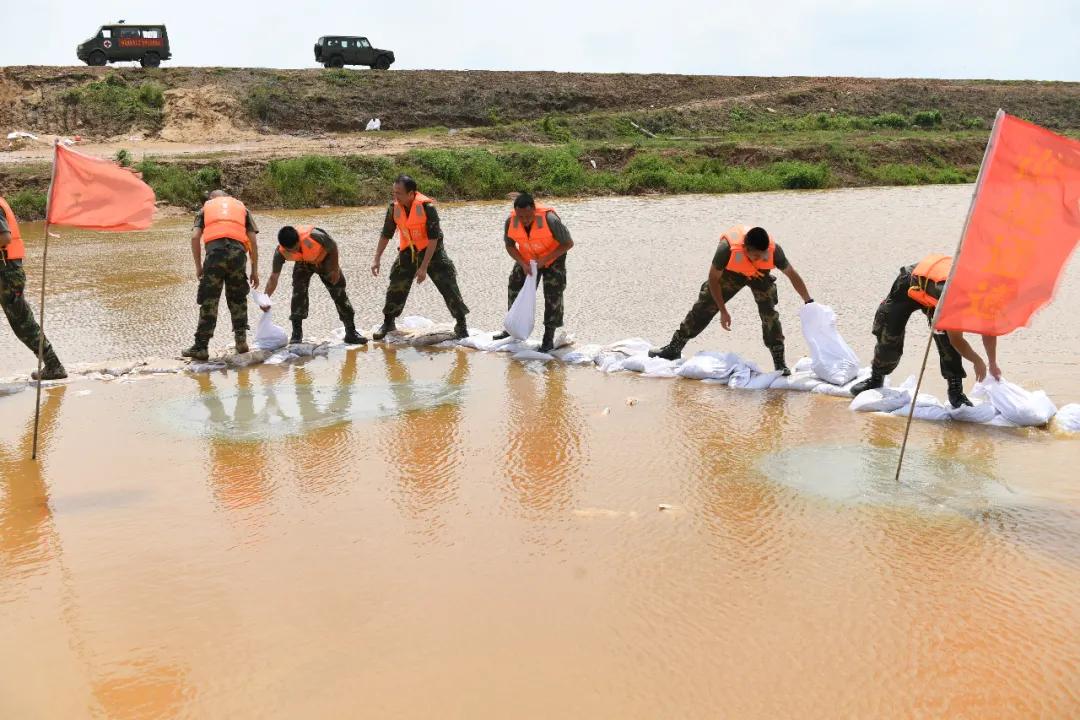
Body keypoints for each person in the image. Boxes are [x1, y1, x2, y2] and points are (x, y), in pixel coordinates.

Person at [650, 225, 813, 374]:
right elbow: (713, 280)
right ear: (745, 248)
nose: (760, 258)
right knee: (704, 306)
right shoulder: (726, 249)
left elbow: (792, 275)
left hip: (759, 275)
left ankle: (779, 362)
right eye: (756, 255)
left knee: (769, 314)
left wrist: (808, 301)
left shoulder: (774, 251)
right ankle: (674, 348)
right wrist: (723, 311)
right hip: (732, 274)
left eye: (762, 255)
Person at [850, 254, 1002, 408]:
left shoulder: (987, 295)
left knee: (943, 336)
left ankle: (955, 391)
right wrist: (977, 361)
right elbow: (956, 340)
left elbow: (989, 330)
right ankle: (876, 377)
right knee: (889, 333)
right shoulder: (954, 296)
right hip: (909, 284)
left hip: (935, 296)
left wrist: (992, 363)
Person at [370, 175, 470, 340]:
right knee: (396, 283)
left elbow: (433, 238)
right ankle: (388, 322)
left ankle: (461, 323)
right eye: (394, 192)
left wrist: (423, 267)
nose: (396, 196)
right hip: (408, 251)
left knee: (448, 284)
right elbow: (386, 233)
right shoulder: (394, 207)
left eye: (399, 193)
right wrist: (376, 258)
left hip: (432, 252)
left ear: (411, 193)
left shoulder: (427, 207)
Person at [183, 190, 259, 361]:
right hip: (238, 255)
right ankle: (241, 341)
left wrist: (198, 266)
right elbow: (253, 241)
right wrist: (254, 270)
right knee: (238, 298)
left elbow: (195, 237)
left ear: (211, 199)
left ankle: (201, 347)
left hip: (215, 255)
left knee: (209, 300)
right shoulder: (242, 208)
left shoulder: (205, 209)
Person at [492, 193, 574, 353]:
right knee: (514, 287)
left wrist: (545, 260)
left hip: (553, 259)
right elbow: (510, 246)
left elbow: (568, 243)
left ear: (534, 210)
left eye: (528, 216)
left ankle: (548, 337)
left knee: (553, 295)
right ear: (516, 212)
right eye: (521, 216)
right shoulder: (511, 221)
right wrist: (522, 263)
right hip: (528, 259)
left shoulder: (550, 219)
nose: (525, 220)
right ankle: (512, 329)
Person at [263, 225, 366, 345]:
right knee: (298, 290)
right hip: (303, 262)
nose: (294, 252)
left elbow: (332, 246)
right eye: (290, 251)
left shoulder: (316, 236)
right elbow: (273, 277)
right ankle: (296, 333)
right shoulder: (280, 252)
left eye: (296, 248)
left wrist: (334, 269)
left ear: (298, 241)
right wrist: (265, 298)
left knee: (339, 292)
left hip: (324, 259)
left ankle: (351, 331)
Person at [0, 195, 67, 380]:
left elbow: (5, 237)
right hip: (7, 270)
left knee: (22, 323)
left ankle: (54, 366)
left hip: (6, 273)